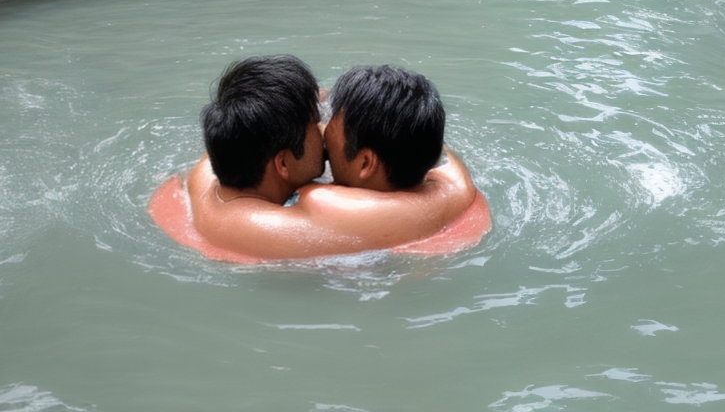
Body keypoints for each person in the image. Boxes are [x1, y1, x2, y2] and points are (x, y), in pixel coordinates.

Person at [148, 55, 489, 262]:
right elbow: (453, 192)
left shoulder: (213, 168)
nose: (325, 133)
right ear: (282, 164)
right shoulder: (324, 203)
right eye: (316, 124)